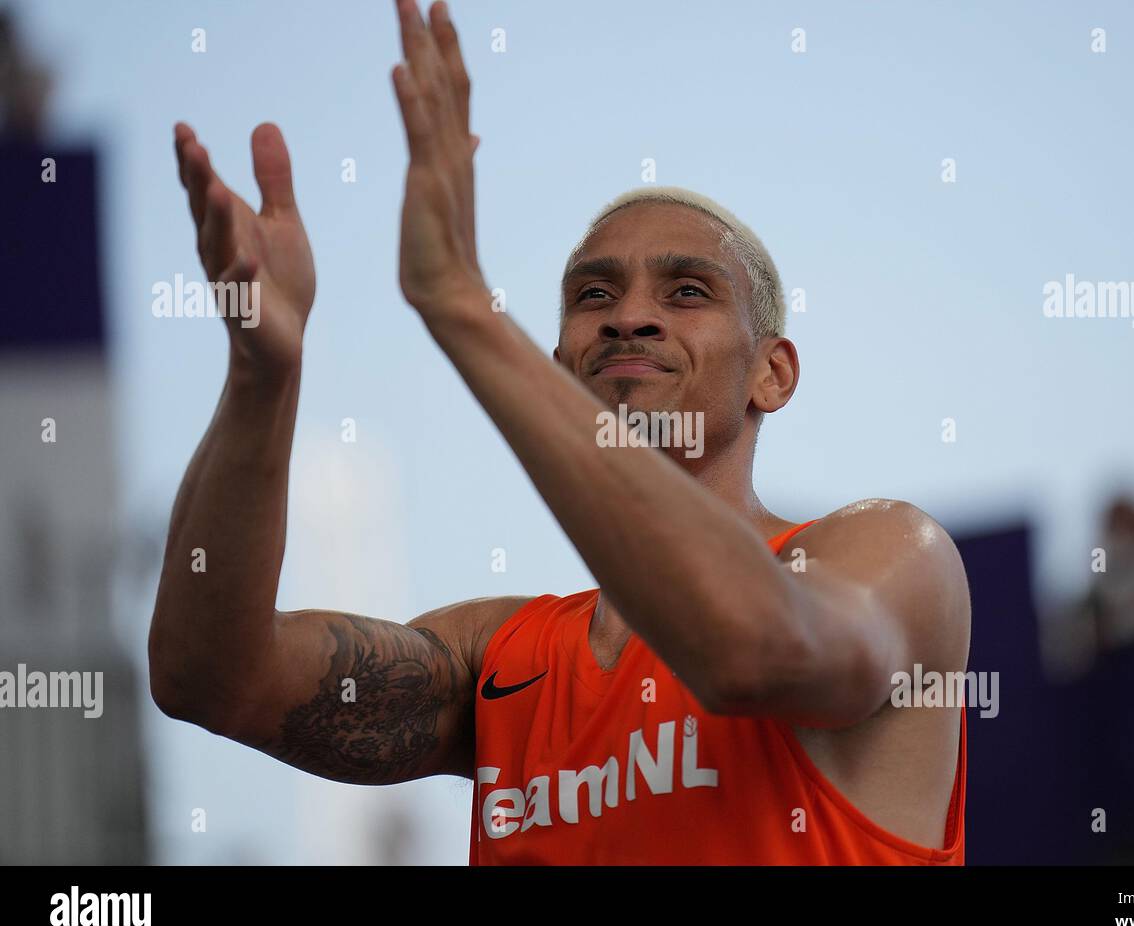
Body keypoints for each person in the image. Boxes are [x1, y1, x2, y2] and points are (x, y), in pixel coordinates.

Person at [149, 0, 971, 865]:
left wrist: (462, 305)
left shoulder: (894, 555)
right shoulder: (499, 657)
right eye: (594, 295)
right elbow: (210, 677)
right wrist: (259, 377)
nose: (630, 319)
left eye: (687, 291)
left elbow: (751, 650)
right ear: (558, 365)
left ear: (775, 372)